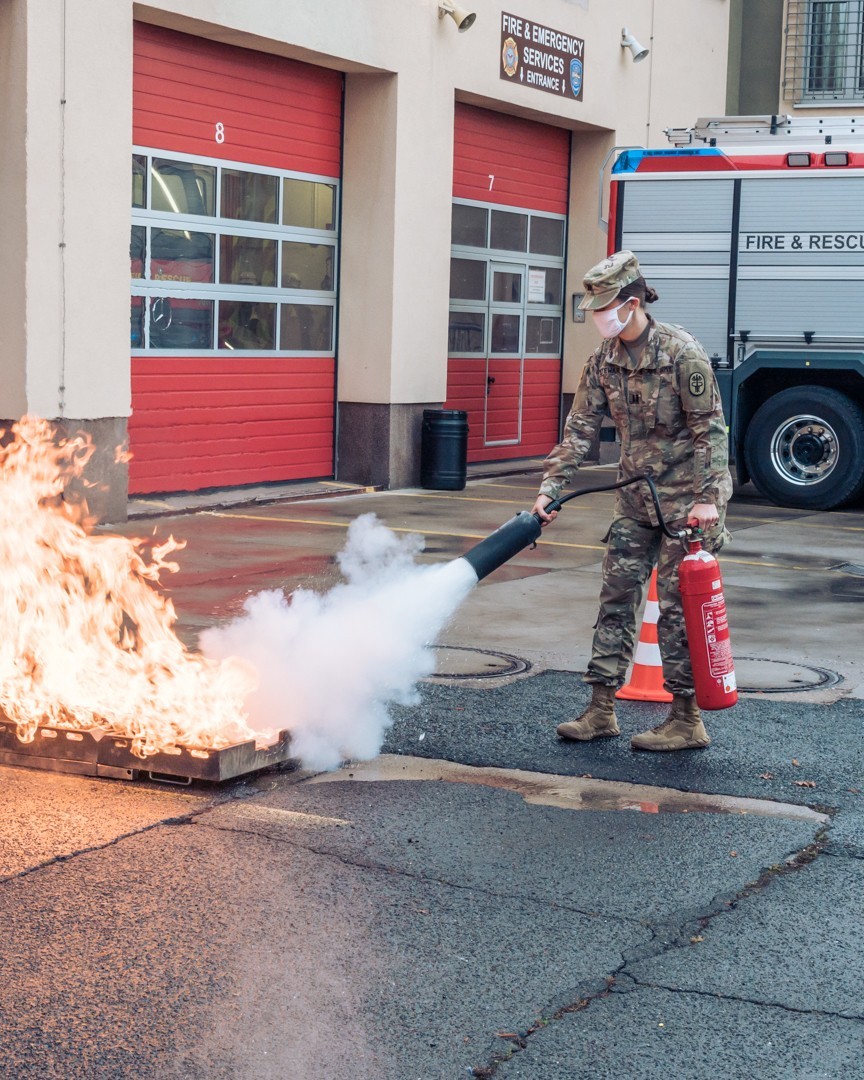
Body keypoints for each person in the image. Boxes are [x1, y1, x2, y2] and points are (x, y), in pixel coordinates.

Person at [532, 250, 733, 751]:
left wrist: (708, 499)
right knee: (616, 598)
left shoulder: (681, 353)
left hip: (688, 503)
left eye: (605, 307)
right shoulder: (604, 360)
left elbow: (710, 430)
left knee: (676, 610)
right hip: (635, 498)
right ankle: (601, 709)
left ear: (632, 302)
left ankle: (686, 719)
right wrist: (551, 489)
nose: (599, 317)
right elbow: (580, 429)